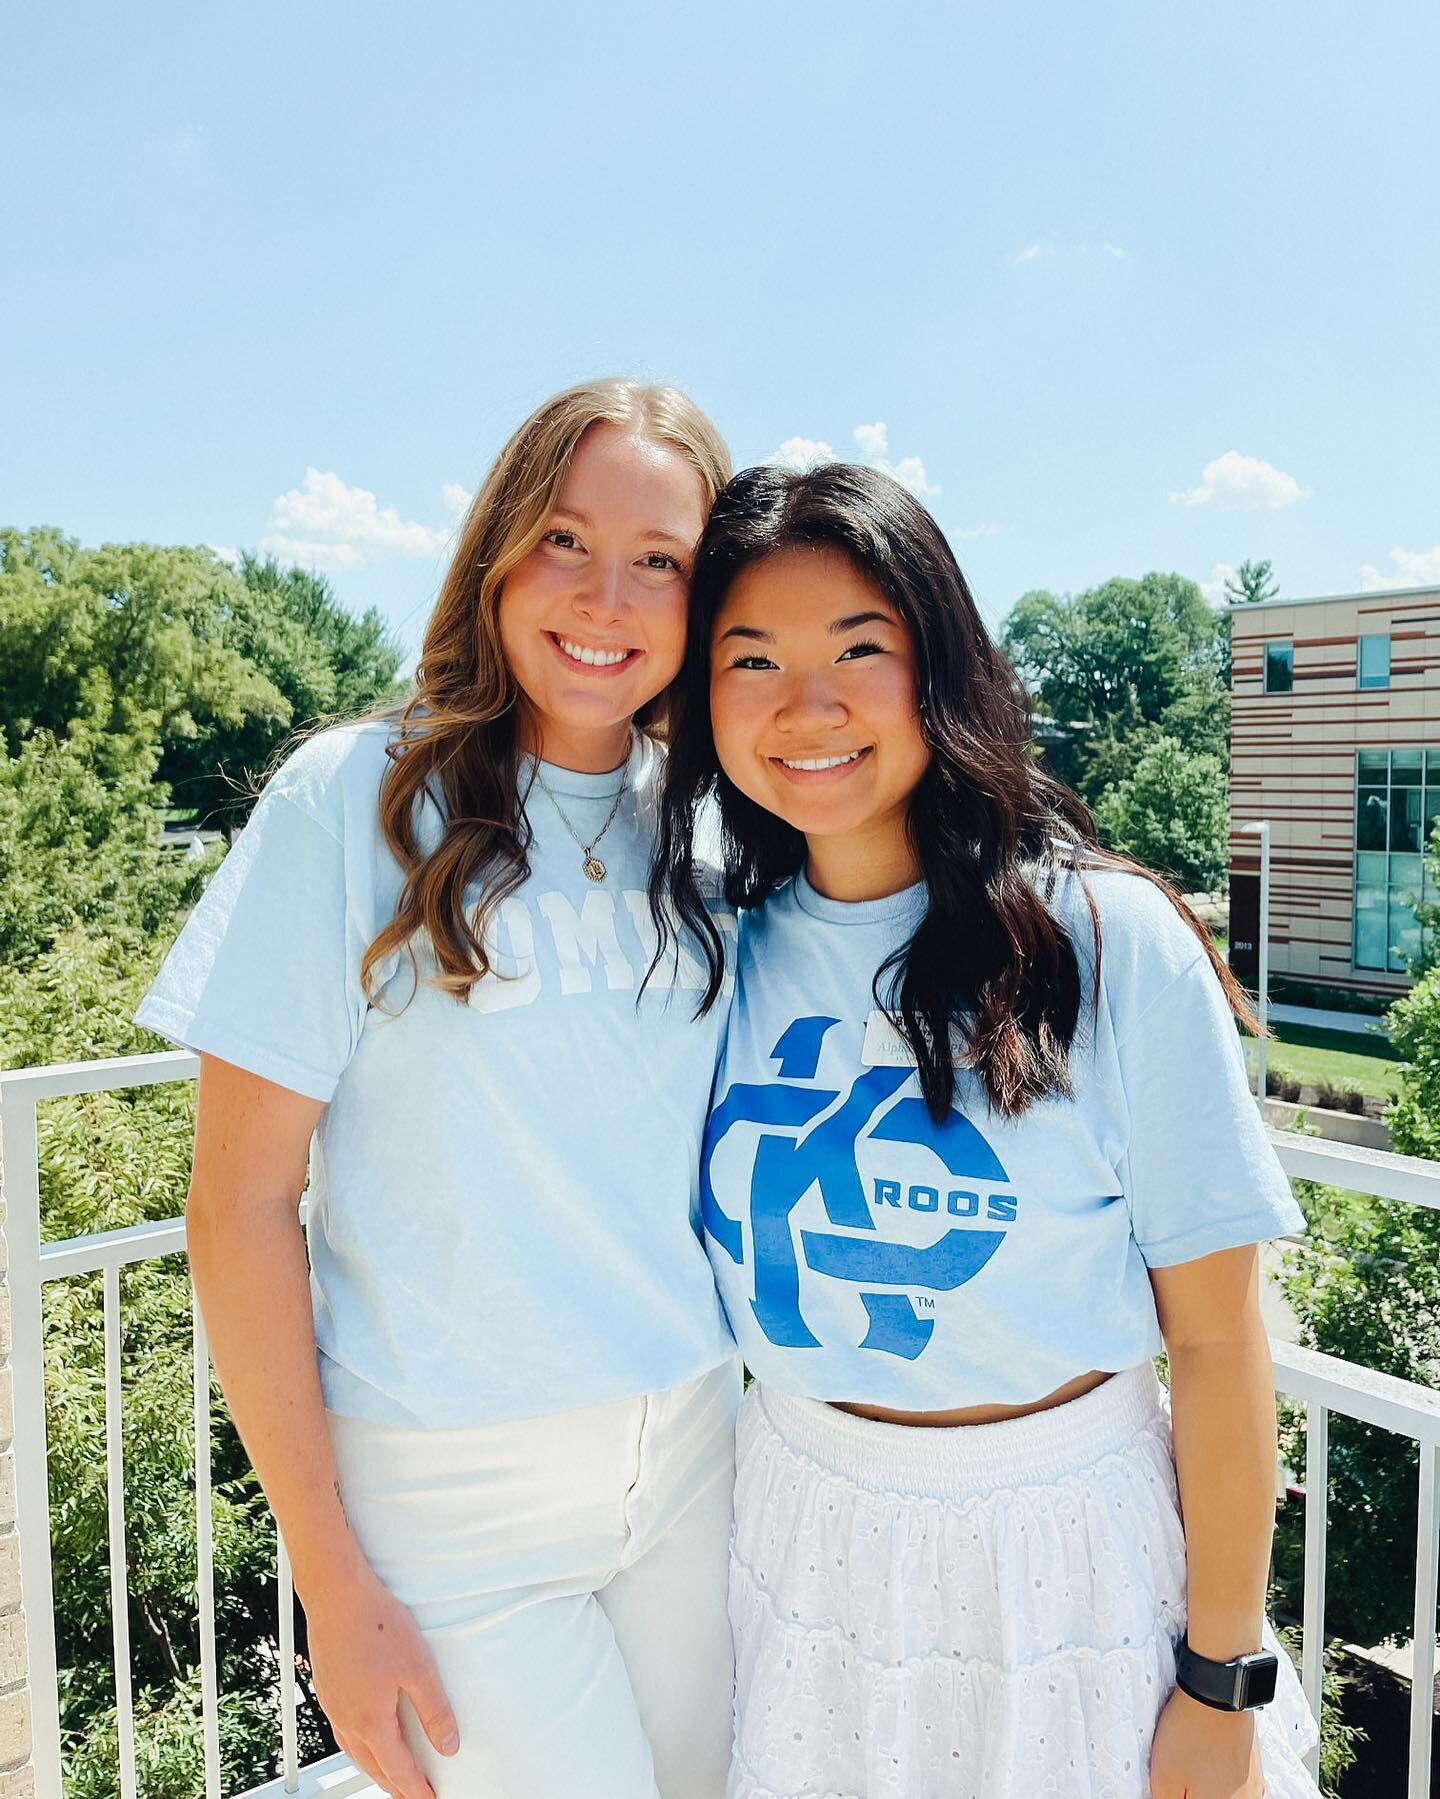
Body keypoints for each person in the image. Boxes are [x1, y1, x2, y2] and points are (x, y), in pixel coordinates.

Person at [649, 461, 1324, 1798]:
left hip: (1063, 1547)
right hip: (797, 1528)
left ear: (940, 669)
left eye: (861, 650)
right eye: (752, 659)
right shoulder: (706, 947)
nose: (809, 706)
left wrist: (1220, 1674)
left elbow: (1217, 1340)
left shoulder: (1103, 940)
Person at [136, 379, 743, 1799]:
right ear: (497, 550)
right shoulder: (351, 800)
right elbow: (237, 1205)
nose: (608, 594)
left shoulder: (713, 824)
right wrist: (329, 1574)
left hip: (698, 1455)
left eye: (661, 560)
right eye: (566, 540)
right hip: (452, 1492)